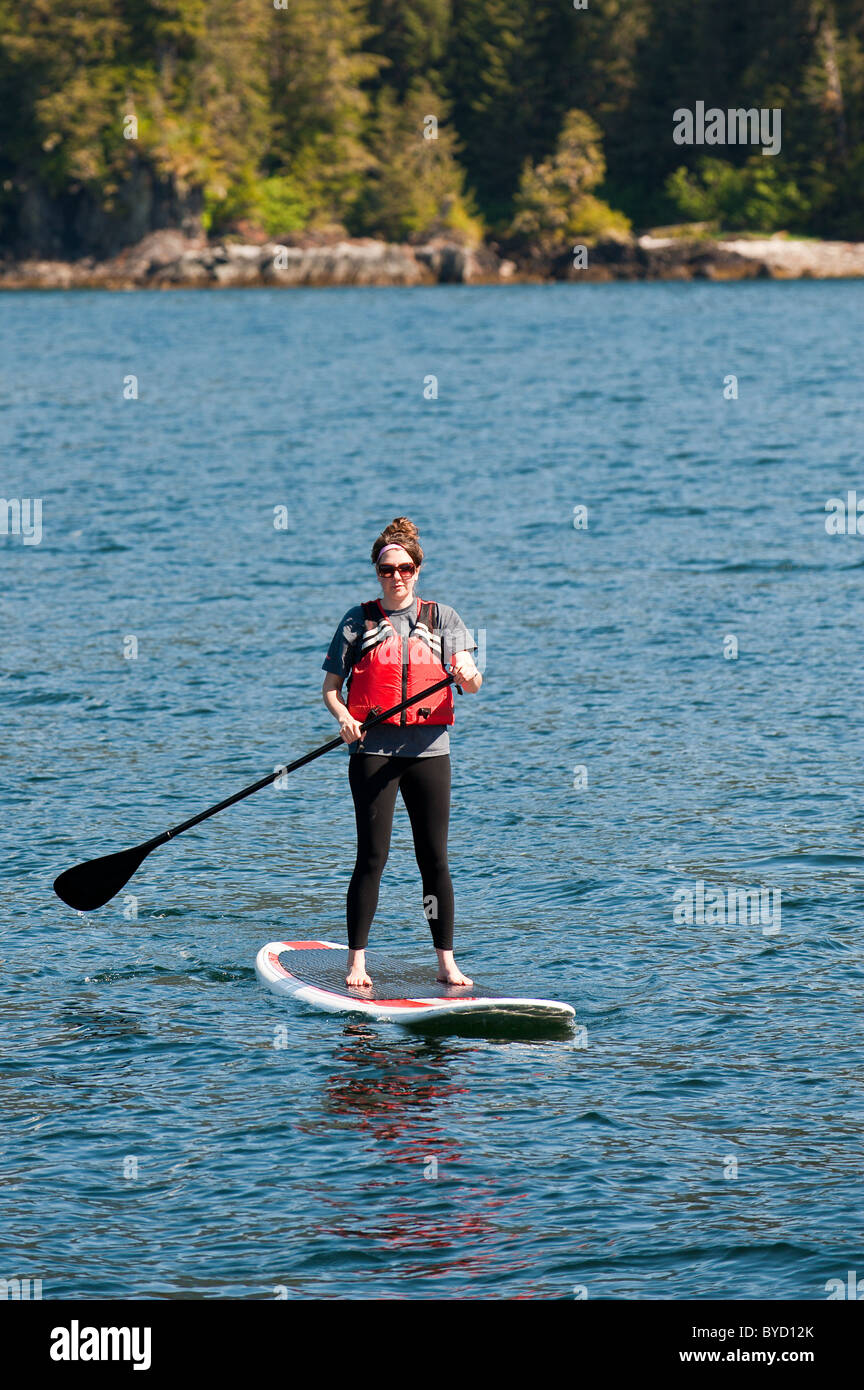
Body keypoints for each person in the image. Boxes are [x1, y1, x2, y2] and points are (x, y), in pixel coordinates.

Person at [322, 517, 482, 988]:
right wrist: (344, 717)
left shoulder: (443, 618)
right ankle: (356, 962)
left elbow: (472, 684)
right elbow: (331, 689)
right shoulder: (358, 620)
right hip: (374, 751)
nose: (397, 576)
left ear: (418, 569)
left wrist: (468, 669)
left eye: (405, 568)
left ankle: (446, 963)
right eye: (387, 568)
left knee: (434, 859)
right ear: (377, 571)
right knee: (372, 857)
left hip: (430, 752)